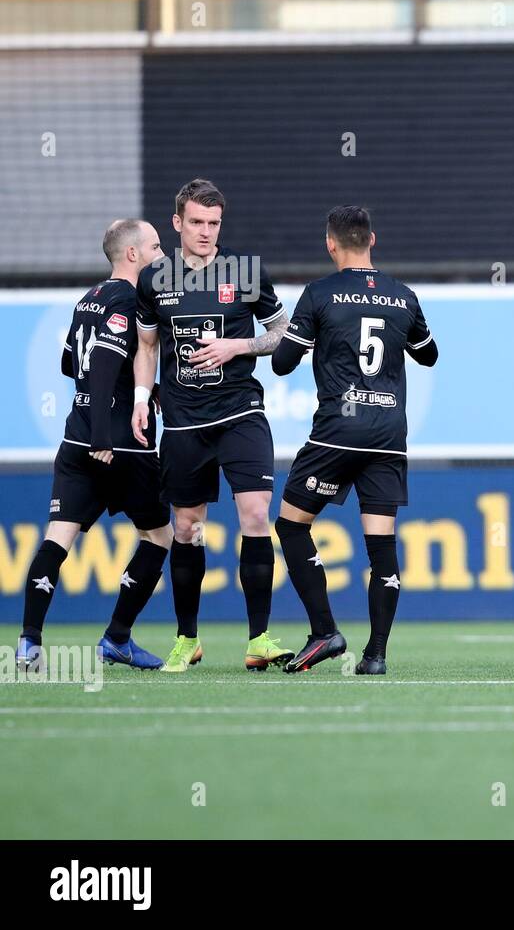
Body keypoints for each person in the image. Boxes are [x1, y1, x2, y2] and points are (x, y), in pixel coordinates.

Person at [271, 206, 438, 675]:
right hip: (388, 435)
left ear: (331, 244)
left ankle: (325, 631)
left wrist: (309, 337)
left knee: (290, 525)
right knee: (381, 546)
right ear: (373, 240)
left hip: (338, 430)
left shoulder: (320, 294)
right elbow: (428, 355)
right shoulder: (402, 296)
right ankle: (376, 655)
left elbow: (283, 362)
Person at [134, 178, 292, 672]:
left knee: (255, 514)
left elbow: (282, 333)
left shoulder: (246, 271)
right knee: (188, 526)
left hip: (241, 410)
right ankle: (188, 638)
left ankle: (260, 638)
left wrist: (236, 347)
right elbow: (146, 346)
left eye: (214, 223)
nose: (206, 232)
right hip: (183, 422)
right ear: (177, 223)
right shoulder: (154, 278)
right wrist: (142, 398)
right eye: (197, 223)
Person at [17, 219, 173, 672]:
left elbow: (72, 364)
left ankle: (29, 642)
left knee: (57, 538)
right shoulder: (129, 299)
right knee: (159, 537)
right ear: (132, 255)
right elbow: (104, 362)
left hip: (74, 438)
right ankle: (117, 638)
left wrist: (141, 389)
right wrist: (107, 433)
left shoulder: (90, 298)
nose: (161, 255)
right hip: (121, 445)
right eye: (155, 247)